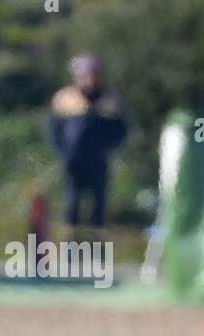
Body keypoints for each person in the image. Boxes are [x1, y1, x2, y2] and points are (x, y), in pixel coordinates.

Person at [47, 53, 126, 228]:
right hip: (72, 160)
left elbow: (121, 130)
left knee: (98, 207)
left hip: (98, 161)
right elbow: (53, 130)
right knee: (71, 204)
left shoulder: (110, 100)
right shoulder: (64, 98)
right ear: (76, 76)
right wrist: (62, 153)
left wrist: (108, 148)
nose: (89, 79)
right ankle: (70, 248)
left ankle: (97, 250)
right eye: (84, 75)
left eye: (93, 75)